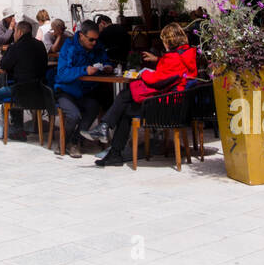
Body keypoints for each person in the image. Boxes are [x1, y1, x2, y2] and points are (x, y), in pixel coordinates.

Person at [93, 24, 197, 166]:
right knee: (125, 104)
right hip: (178, 105)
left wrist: (143, 74)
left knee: (125, 102)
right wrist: (158, 60)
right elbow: (173, 72)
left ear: (168, 41)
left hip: (167, 109)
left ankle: (110, 143)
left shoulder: (173, 58)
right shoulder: (186, 54)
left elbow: (159, 80)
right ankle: (108, 136)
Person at [0, 17, 48, 142]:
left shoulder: (16, 47)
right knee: (13, 89)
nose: (14, 35)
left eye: (15, 32)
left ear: (20, 32)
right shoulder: (40, 45)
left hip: (20, 92)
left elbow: (4, 65)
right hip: (40, 91)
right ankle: (17, 130)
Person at [54, 21, 107, 158]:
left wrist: (107, 66)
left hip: (85, 91)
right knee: (74, 115)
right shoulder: (69, 46)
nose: (94, 43)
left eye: (96, 39)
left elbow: (104, 59)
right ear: (82, 36)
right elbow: (62, 73)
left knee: (94, 108)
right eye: (91, 39)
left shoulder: (97, 46)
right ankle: (63, 142)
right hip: (66, 90)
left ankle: (75, 141)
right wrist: (84, 70)